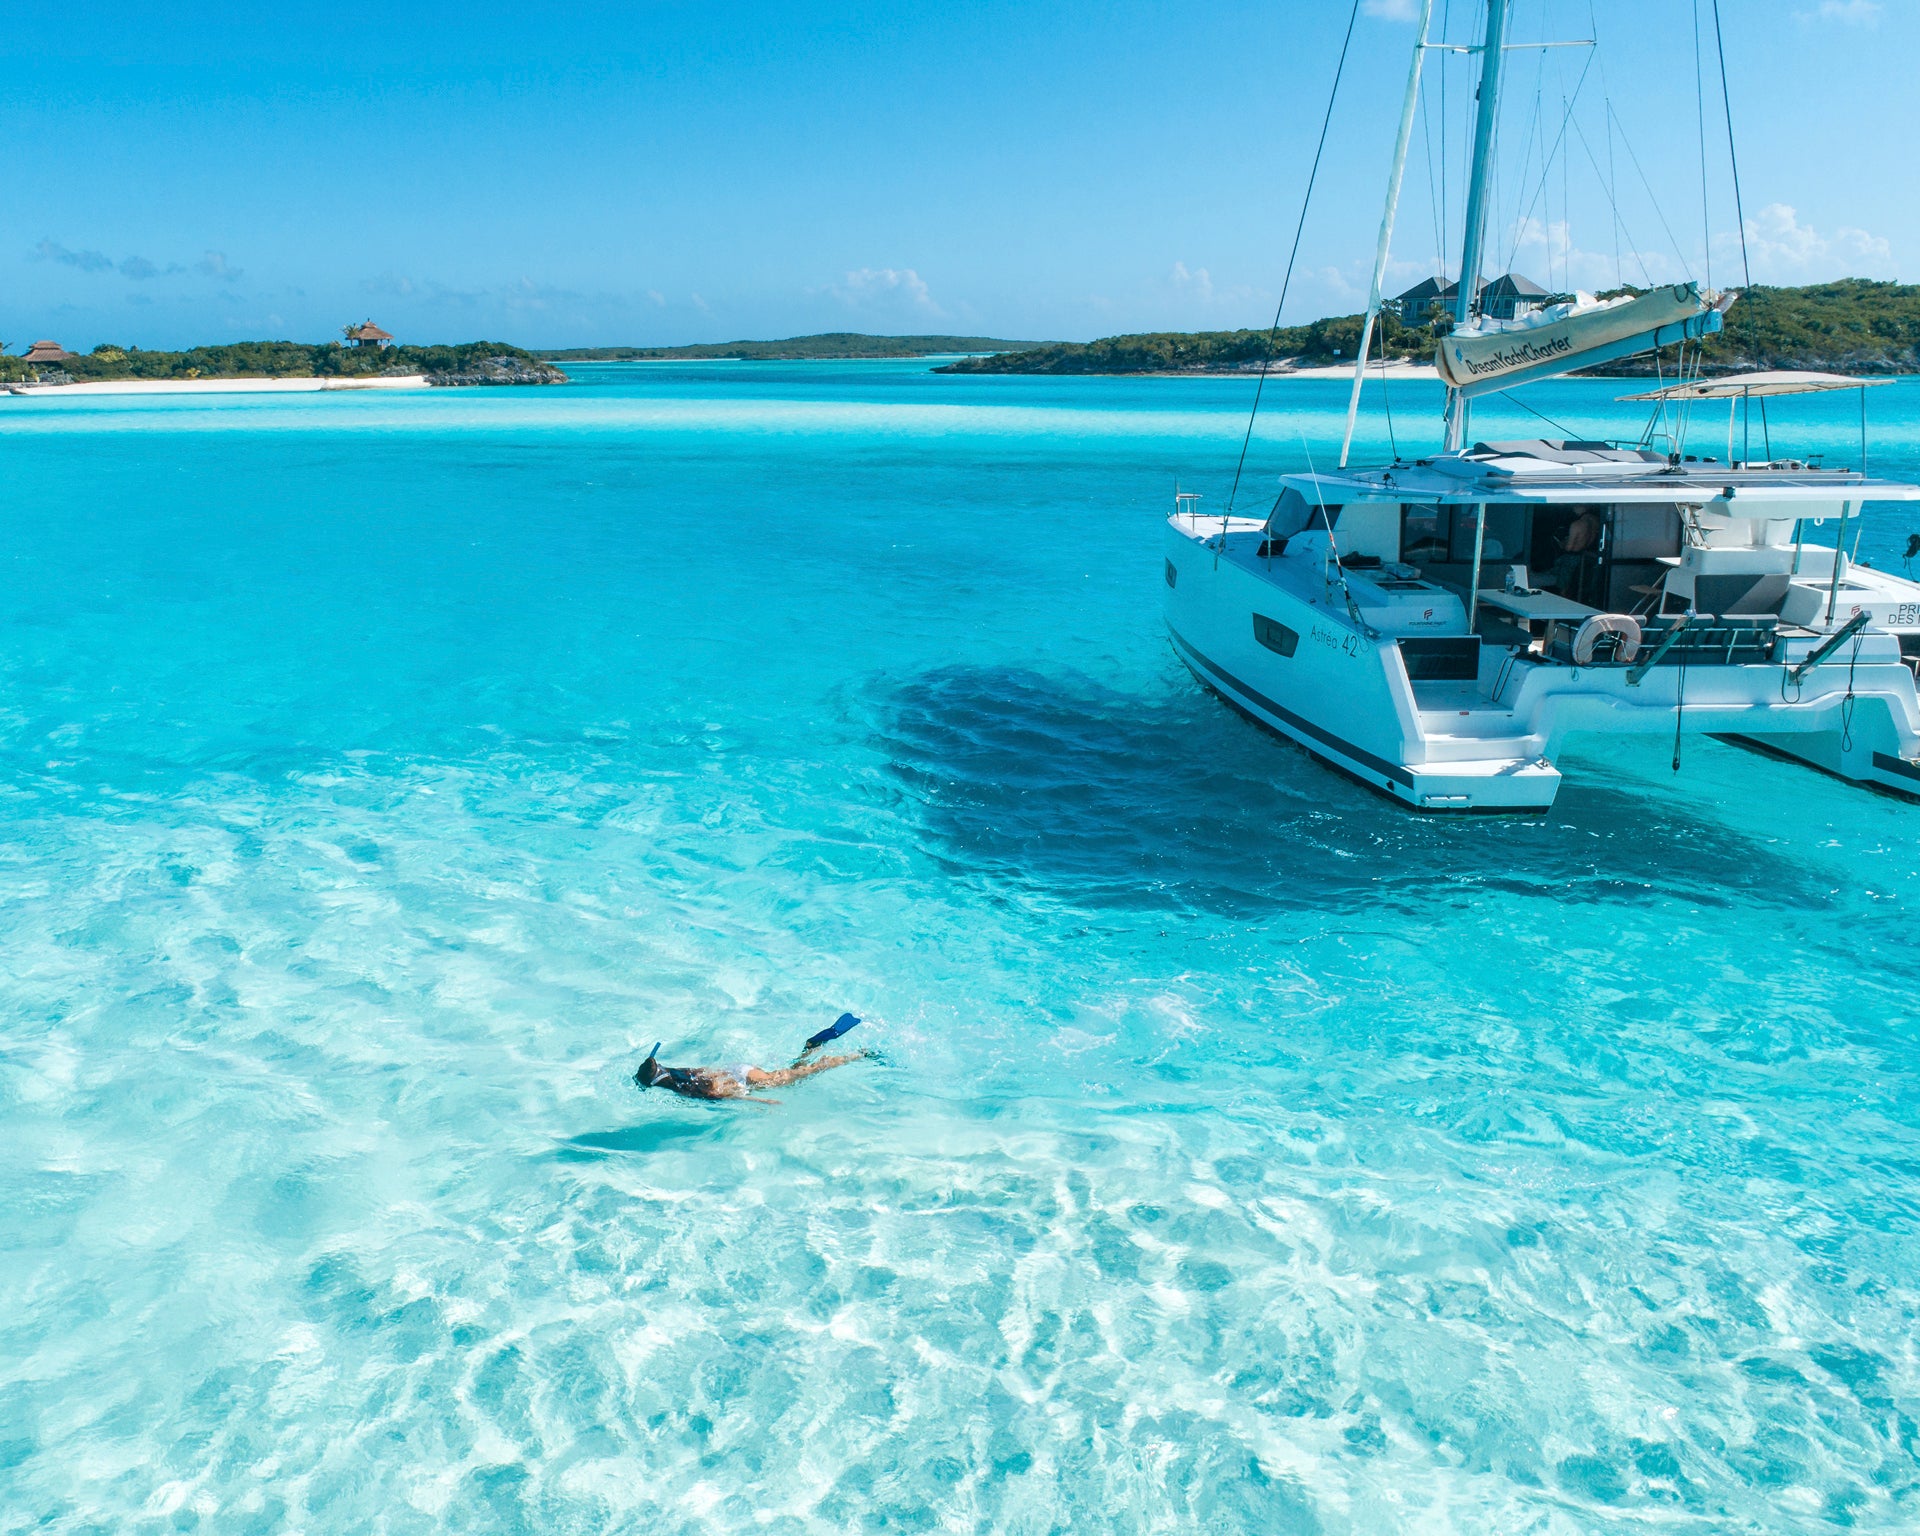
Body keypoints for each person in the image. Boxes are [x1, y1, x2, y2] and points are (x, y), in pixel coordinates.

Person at [634, 1015, 871, 1105]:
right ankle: (810, 1049)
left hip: (745, 1081)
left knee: (801, 1076)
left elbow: (726, 1095)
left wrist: (762, 1102)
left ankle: (858, 1054)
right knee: (792, 1074)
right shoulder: (683, 1073)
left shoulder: (687, 1090)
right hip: (740, 1070)